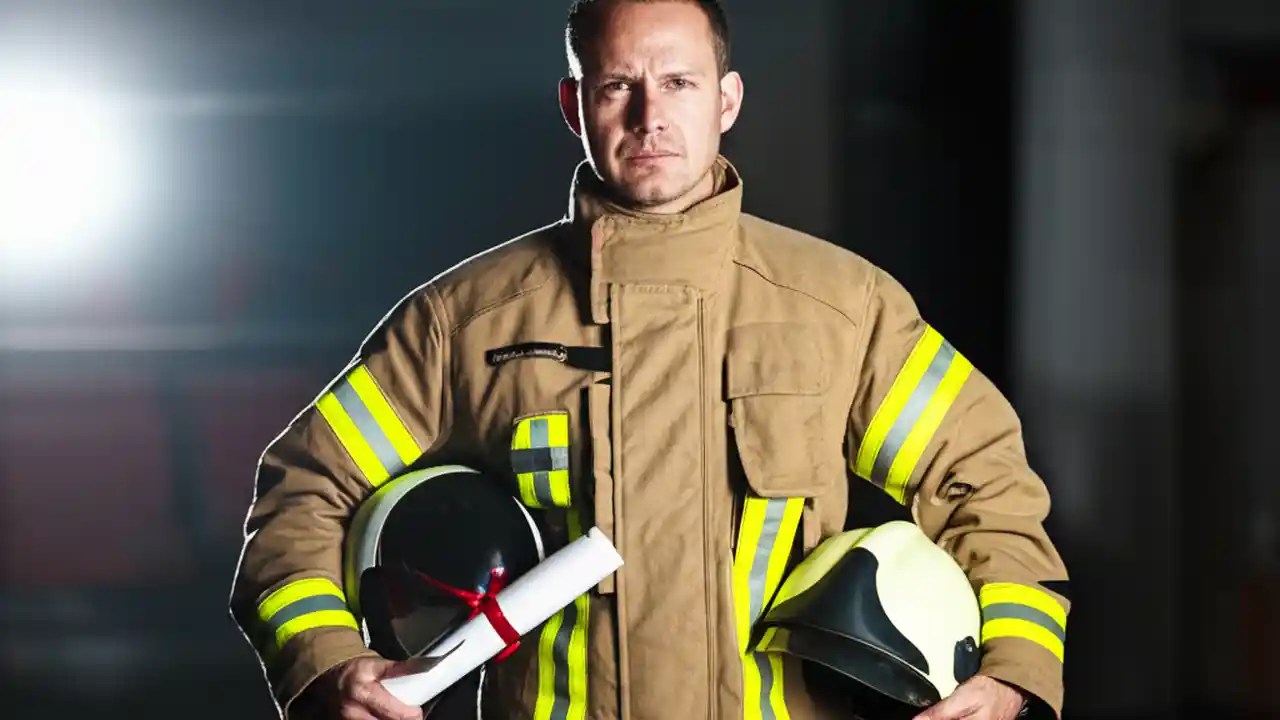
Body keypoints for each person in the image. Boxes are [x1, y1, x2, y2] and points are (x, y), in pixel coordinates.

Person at [228, 1, 1071, 719]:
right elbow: (305, 490)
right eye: (616, 86)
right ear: (574, 104)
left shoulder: (840, 309)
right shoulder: (468, 321)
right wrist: (326, 658)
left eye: (678, 83)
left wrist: (1012, 671)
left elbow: (983, 482)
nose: (648, 116)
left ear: (727, 100)